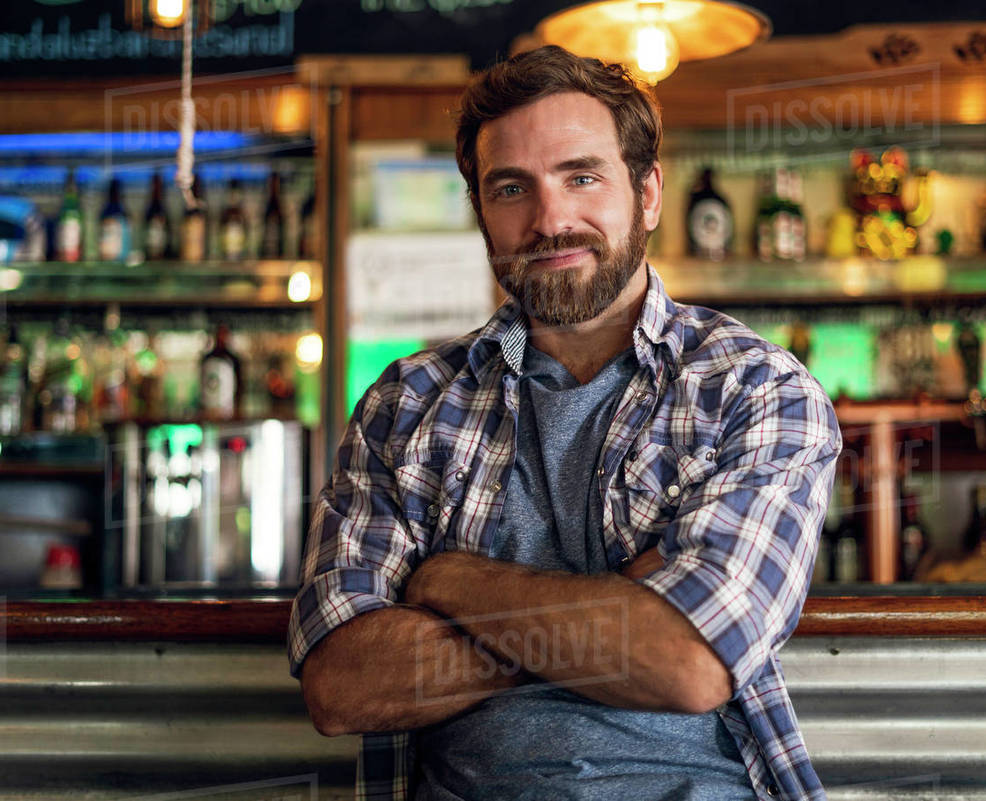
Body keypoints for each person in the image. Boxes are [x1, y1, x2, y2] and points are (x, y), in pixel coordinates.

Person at [288, 45, 842, 801]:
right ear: (480, 208)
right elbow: (343, 684)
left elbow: (688, 660)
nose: (550, 220)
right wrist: (614, 605)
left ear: (647, 193)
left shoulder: (754, 390)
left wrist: (447, 579)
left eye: (582, 176)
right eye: (512, 187)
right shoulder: (407, 403)